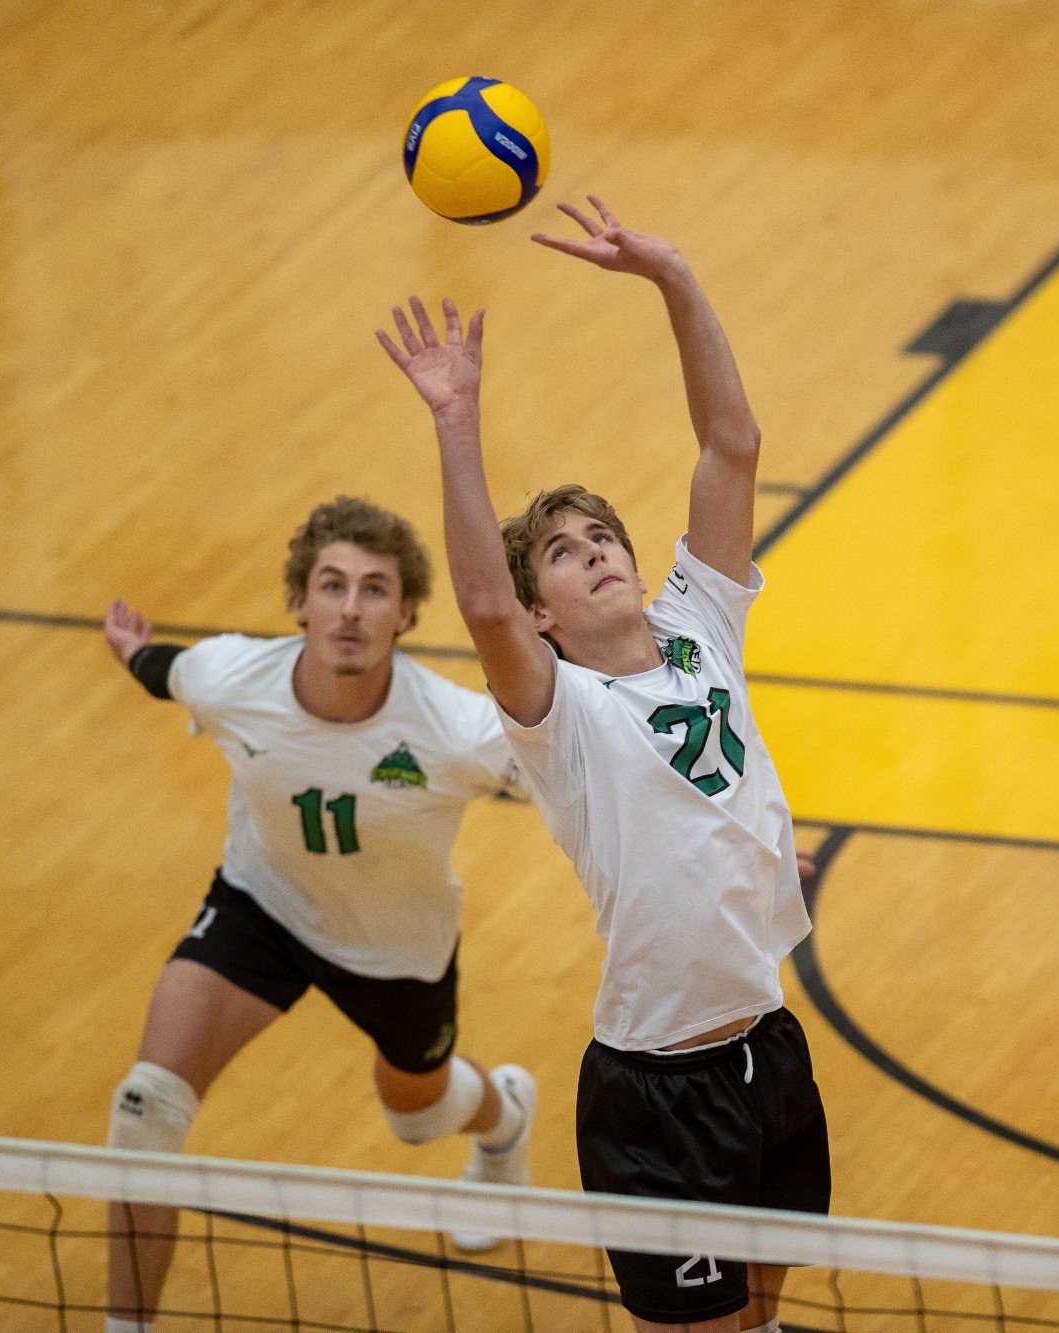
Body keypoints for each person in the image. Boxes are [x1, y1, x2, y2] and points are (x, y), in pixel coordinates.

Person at [375, 196, 829, 1333]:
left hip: (769, 1051)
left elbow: (732, 445)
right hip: (655, 1095)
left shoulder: (700, 624)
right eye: (563, 556)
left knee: (764, 1319)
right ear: (544, 614)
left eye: (601, 538)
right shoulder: (559, 712)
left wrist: (673, 276)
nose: (593, 555)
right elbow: (483, 603)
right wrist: (455, 419)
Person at [98, 496, 536, 1333]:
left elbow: (588, 778)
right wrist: (134, 650)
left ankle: (506, 1117)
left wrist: (734, 840)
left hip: (394, 950)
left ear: (407, 613)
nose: (350, 609)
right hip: (262, 909)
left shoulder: (456, 731)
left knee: (418, 1117)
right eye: (332, 585)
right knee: (144, 1108)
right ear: (299, 601)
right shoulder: (231, 677)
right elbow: (165, 670)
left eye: (375, 589)